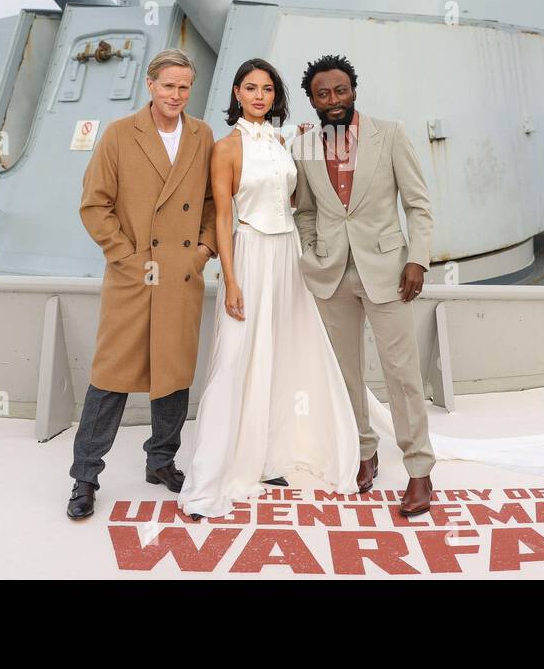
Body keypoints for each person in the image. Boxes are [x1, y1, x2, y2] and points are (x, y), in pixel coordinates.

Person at [178, 60, 359, 520]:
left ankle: (271, 456)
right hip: (250, 255)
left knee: (284, 352)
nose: (260, 95)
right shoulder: (226, 148)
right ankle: (213, 475)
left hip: (288, 256)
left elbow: (297, 200)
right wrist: (232, 279)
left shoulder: (282, 142)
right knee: (235, 357)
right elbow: (222, 216)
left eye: (267, 88)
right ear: (237, 92)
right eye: (251, 88)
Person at [66, 49, 218, 521]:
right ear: (150, 85)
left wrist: (202, 251)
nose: (176, 94)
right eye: (168, 85)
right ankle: (85, 477)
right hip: (135, 276)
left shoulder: (203, 135)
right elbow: (95, 205)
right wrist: (128, 259)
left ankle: (161, 461)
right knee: (110, 378)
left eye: (184, 87)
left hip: (180, 273)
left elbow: (214, 203)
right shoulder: (118, 135)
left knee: (173, 376)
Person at [291, 55, 436, 517]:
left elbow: (418, 205)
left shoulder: (389, 134)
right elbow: (306, 210)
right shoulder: (306, 146)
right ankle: (363, 450)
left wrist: (417, 260)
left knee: (402, 374)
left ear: (354, 90)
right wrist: (313, 252)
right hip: (330, 275)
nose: (333, 101)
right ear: (312, 100)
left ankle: (418, 468)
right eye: (322, 94)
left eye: (340, 91)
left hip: (389, 272)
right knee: (344, 373)